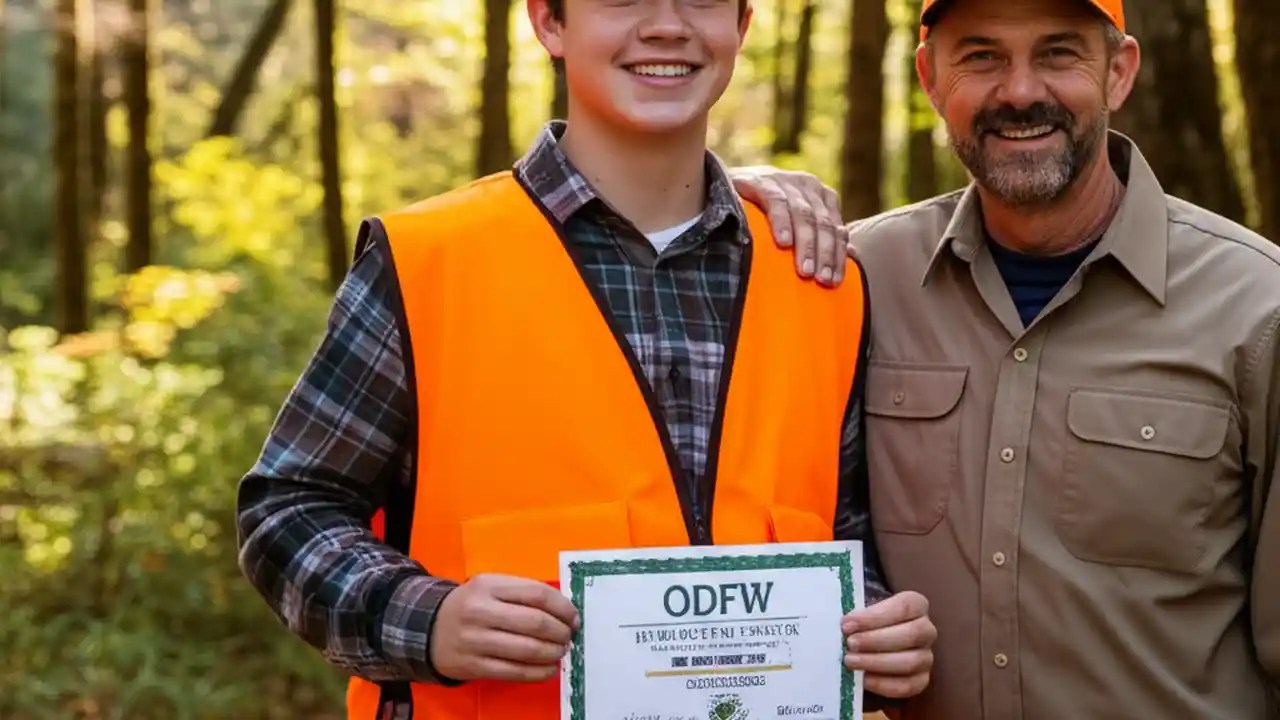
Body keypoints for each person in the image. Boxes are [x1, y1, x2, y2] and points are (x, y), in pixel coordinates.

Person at [235, 1, 937, 718]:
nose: (667, 25)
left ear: (743, 25)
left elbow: (850, 536)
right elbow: (288, 511)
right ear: (549, 22)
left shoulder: (821, 282)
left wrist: (876, 633)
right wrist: (425, 619)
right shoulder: (428, 263)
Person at [731, 0, 1280, 716]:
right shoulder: (848, 282)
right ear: (930, 78)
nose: (1020, 91)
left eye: (1057, 53)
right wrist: (733, 191)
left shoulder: (1257, 306)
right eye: (982, 56)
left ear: (1119, 72)